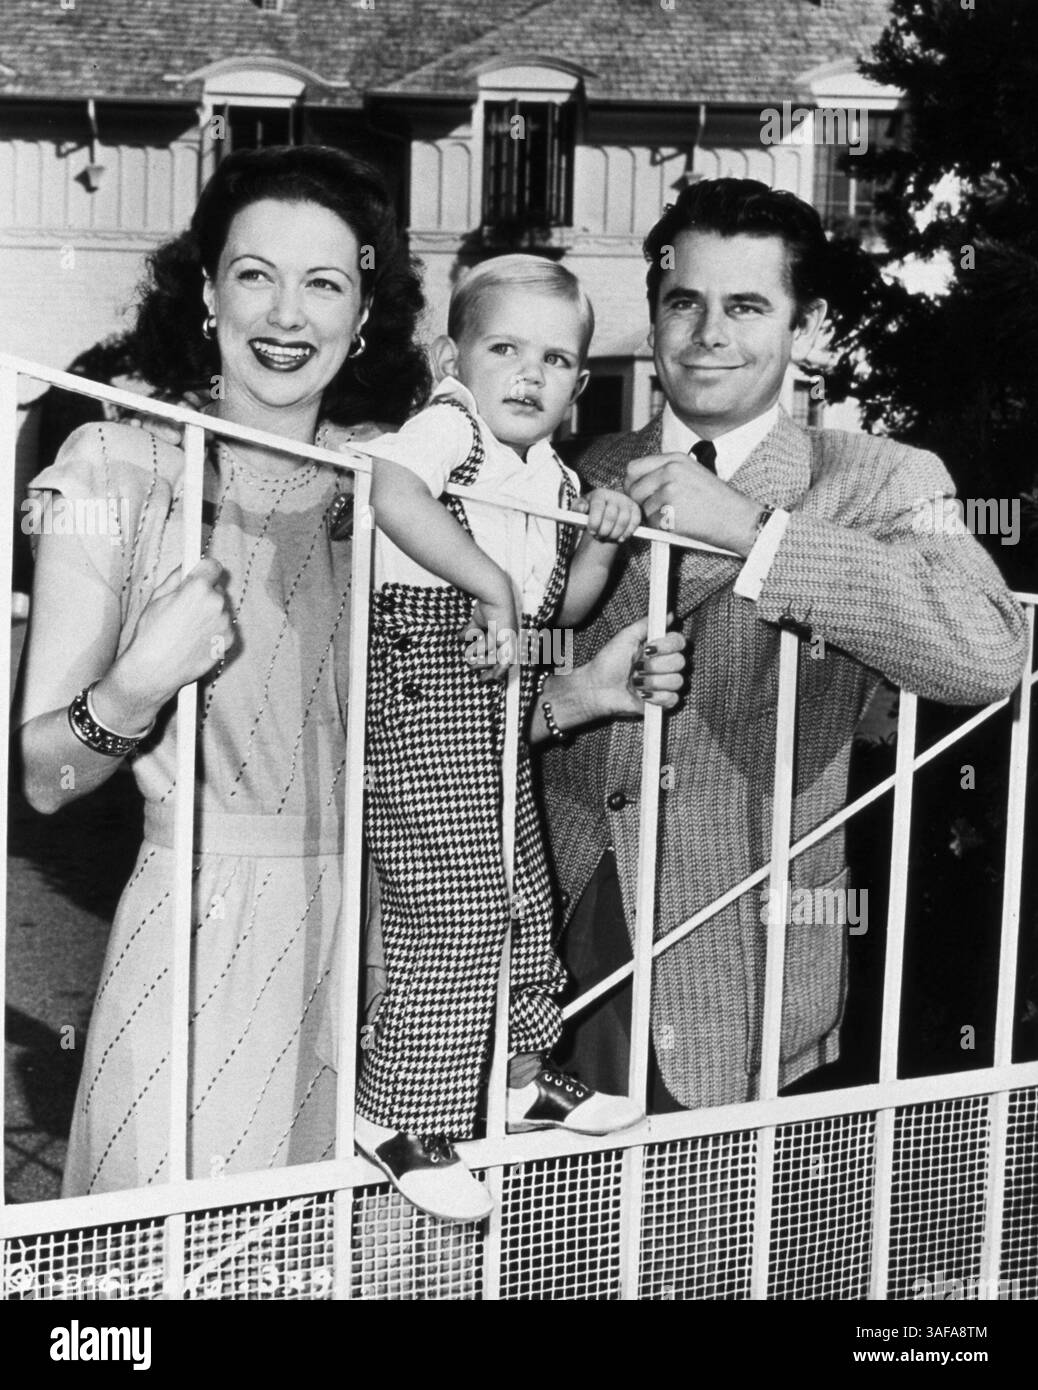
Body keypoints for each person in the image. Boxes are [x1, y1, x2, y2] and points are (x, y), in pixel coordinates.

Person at [14, 145, 687, 1198]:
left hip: (395, 946)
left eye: (324, 281)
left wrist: (579, 694)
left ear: (364, 308)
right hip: (206, 940)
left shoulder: (391, 483)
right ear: (206, 291)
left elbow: (438, 725)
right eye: (254, 274)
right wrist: (138, 688)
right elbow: (45, 778)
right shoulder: (122, 466)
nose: (288, 314)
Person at [538, 177, 1029, 1113]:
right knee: (545, 1245)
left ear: (807, 330)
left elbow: (985, 652)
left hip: (741, 959)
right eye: (684, 303)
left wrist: (755, 532)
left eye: (747, 306)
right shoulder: (577, 469)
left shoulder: (882, 476)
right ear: (653, 318)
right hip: (547, 935)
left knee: (716, 1246)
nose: (708, 333)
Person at [355, 255, 646, 1222]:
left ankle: (522, 1072)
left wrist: (602, 536)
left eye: (557, 360)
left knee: (524, 885)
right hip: (426, 670)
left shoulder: (551, 469)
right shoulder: (451, 428)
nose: (530, 375)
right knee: (456, 901)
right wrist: (489, 585)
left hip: (495, 690)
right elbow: (389, 490)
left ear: (579, 381)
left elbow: (566, 602)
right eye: (505, 348)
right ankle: (396, 1111)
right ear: (453, 356)